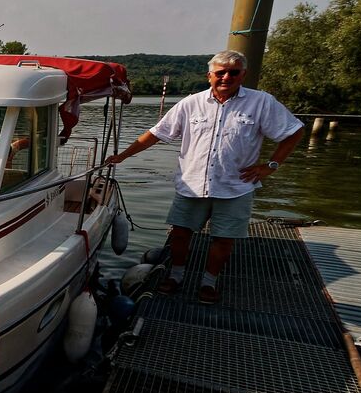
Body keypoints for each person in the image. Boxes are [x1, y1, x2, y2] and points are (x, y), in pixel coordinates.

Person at [106, 50, 304, 305]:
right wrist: (123, 156)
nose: (226, 77)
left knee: (224, 238)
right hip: (193, 183)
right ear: (209, 75)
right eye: (220, 72)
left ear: (243, 74)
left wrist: (271, 165)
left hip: (236, 186)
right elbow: (156, 133)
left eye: (233, 72)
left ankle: (208, 282)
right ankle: (176, 275)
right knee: (180, 232)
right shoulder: (191, 103)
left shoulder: (262, 102)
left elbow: (294, 131)